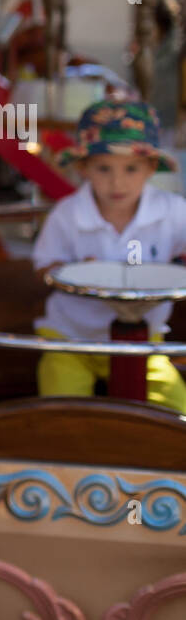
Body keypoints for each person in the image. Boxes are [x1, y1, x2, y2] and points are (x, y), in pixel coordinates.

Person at [33, 99, 186, 411]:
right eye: (104, 168)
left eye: (131, 168)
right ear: (83, 168)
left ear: (149, 168)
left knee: (177, 414)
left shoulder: (172, 211)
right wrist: (71, 271)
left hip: (145, 346)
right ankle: (67, 456)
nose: (117, 182)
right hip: (70, 339)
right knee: (58, 410)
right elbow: (43, 267)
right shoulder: (67, 214)